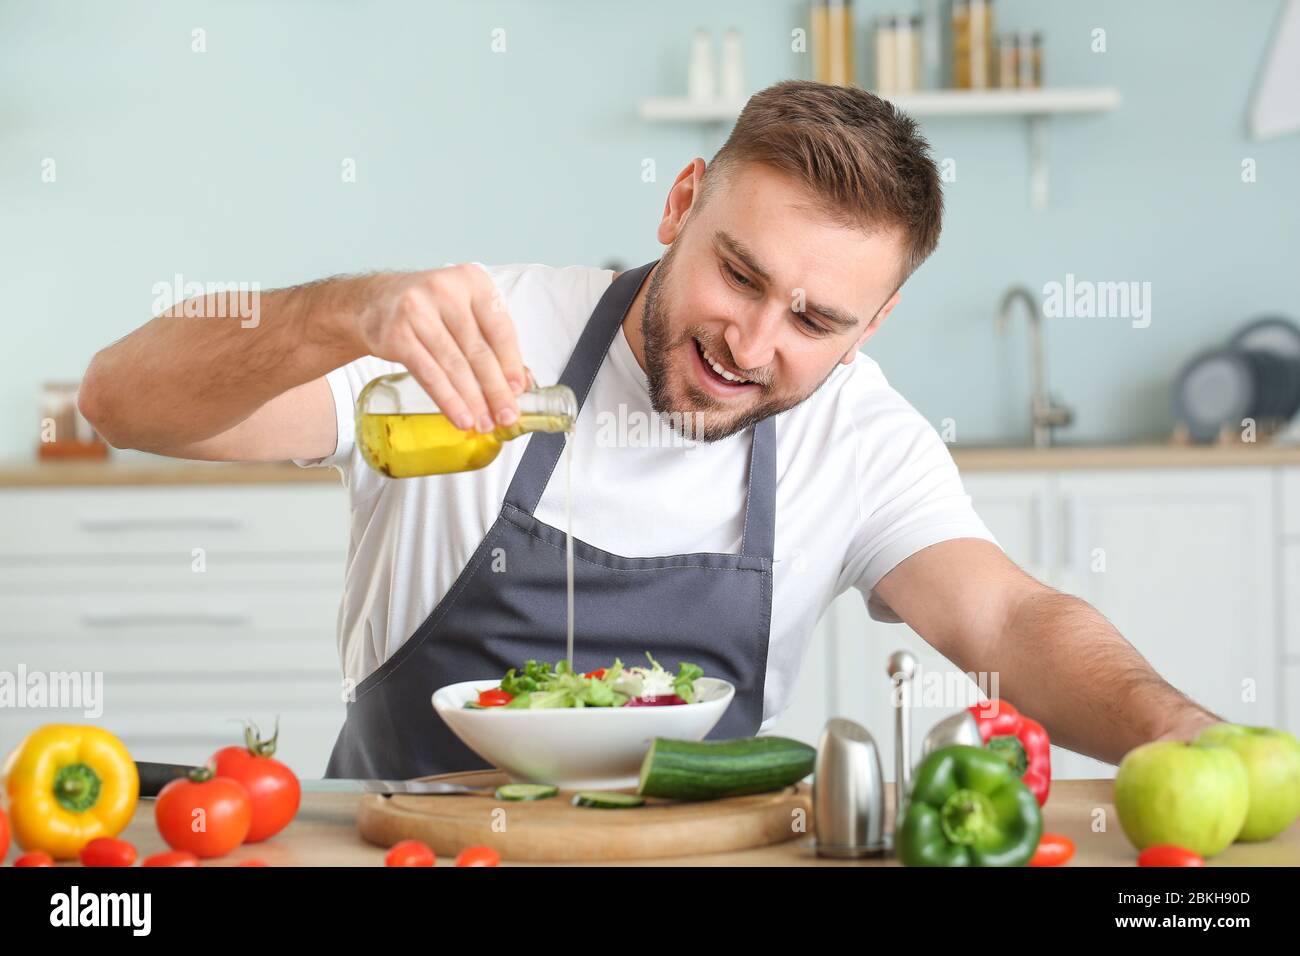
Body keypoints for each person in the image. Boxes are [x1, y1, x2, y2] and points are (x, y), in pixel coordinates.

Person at [78, 80, 1220, 778]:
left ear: (874, 323)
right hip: (408, 847)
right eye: (737, 272)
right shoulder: (468, 329)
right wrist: (342, 310)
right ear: (681, 204)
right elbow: (120, 401)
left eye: (817, 319)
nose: (753, 342)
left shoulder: (859, 438)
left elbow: (1010, 617)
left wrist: (1179, 734)